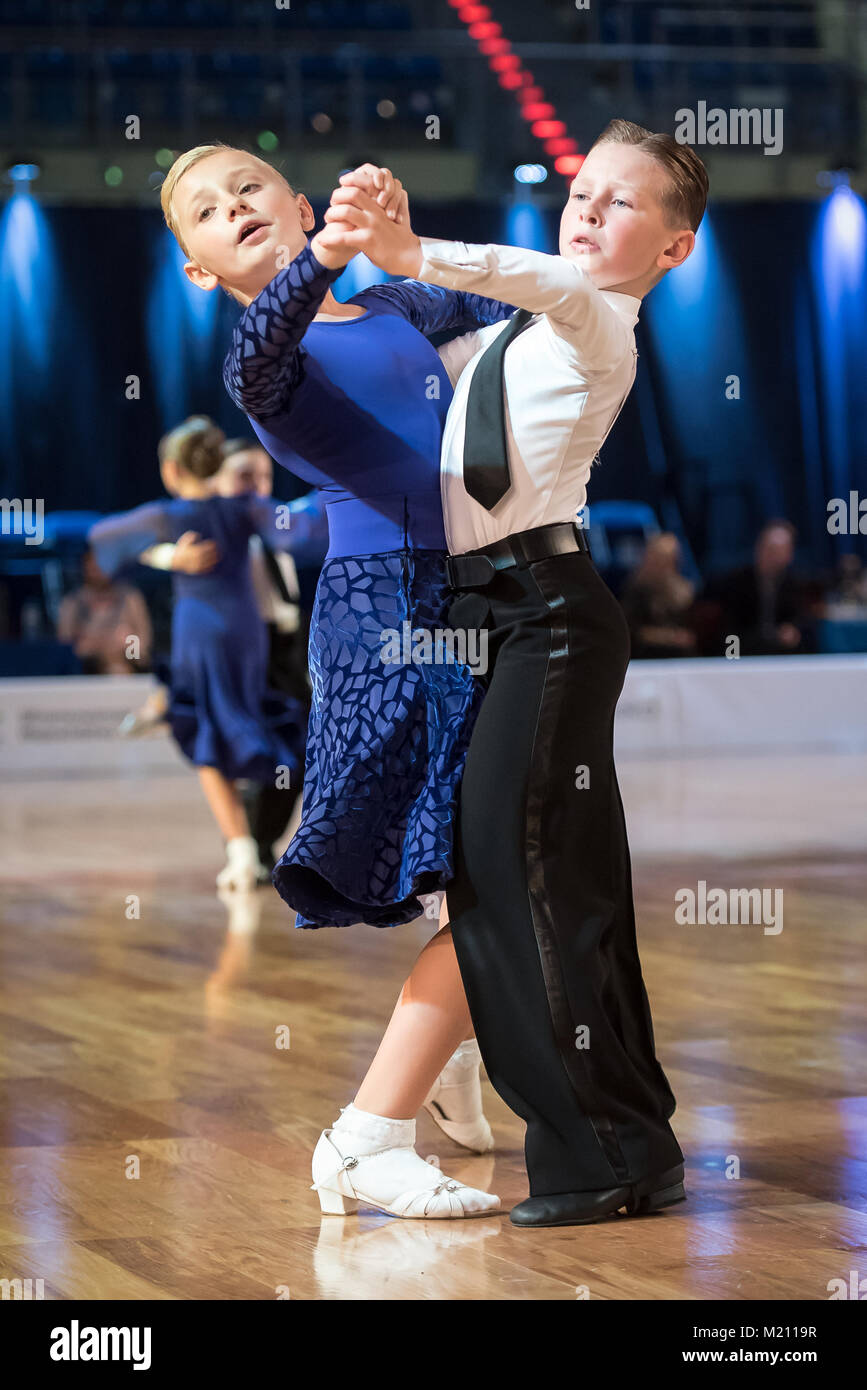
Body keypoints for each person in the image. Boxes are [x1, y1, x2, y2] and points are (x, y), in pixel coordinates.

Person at [322, 117, 707, 1226]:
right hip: (487, 616)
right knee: (546, 883)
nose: (590, 209)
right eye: (586, 189)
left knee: (517, 881)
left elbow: (528, 274)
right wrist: (319, 260)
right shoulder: (501, 342)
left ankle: (596, 1158)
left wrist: (411, 251)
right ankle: (628, 1140)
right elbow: (382, 361)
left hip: (549, 617)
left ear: (671, 251)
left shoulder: (594, 318)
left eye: (621, 202)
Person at [159, 142, 518, 1217]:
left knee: (477, 849)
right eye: (209, 213)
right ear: (197, 267)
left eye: (249, 188)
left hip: (468, 590)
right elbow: (270, 342)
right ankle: (373, 1130)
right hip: (380, 615)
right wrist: (324, 255)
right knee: (486, 863)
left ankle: (442, 1059)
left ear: (300, 197)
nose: (235, 209)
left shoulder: (403, 313)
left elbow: (493, 281)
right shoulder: (261, 356)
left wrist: (402, 237)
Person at [89, 416, 307, 892]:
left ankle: (242, 850)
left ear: (171, 469)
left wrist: (163, 555)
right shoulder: (244, 508)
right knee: (228, 721)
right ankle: (244, 846)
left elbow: (102, 539)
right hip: (249, 633)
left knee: (208, 734)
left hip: (202, 631)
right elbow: (301, 532)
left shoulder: (168, 516)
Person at [705, 519, 817, 656]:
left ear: (789, 554)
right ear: (759, 548)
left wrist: (793, 631)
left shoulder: (794, 583)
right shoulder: (738, 581)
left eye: (779, 551)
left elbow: (802, 621)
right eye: (770, 549)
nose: (772, 556)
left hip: (781, 654)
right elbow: (729, 628)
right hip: (744, 650)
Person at [56, 547, 152, 675]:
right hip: (84, 675)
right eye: (93, 564)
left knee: (119, 671)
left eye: (104, 563)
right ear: (85, 567)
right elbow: (65, 651)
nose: (98, 569)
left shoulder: (130, 599)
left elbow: (142, 650)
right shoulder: (72, 603)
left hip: (127, 670)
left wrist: (127, 645)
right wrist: (93, 645)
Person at [619, 532, 697, 658]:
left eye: (668, 560)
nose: (661, 565)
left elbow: (692, 632)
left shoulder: (686, 590)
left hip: (681, 657)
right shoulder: (636, 589)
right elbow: (630, 631)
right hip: (645, 656)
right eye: (657, 559)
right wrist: (666, 637)